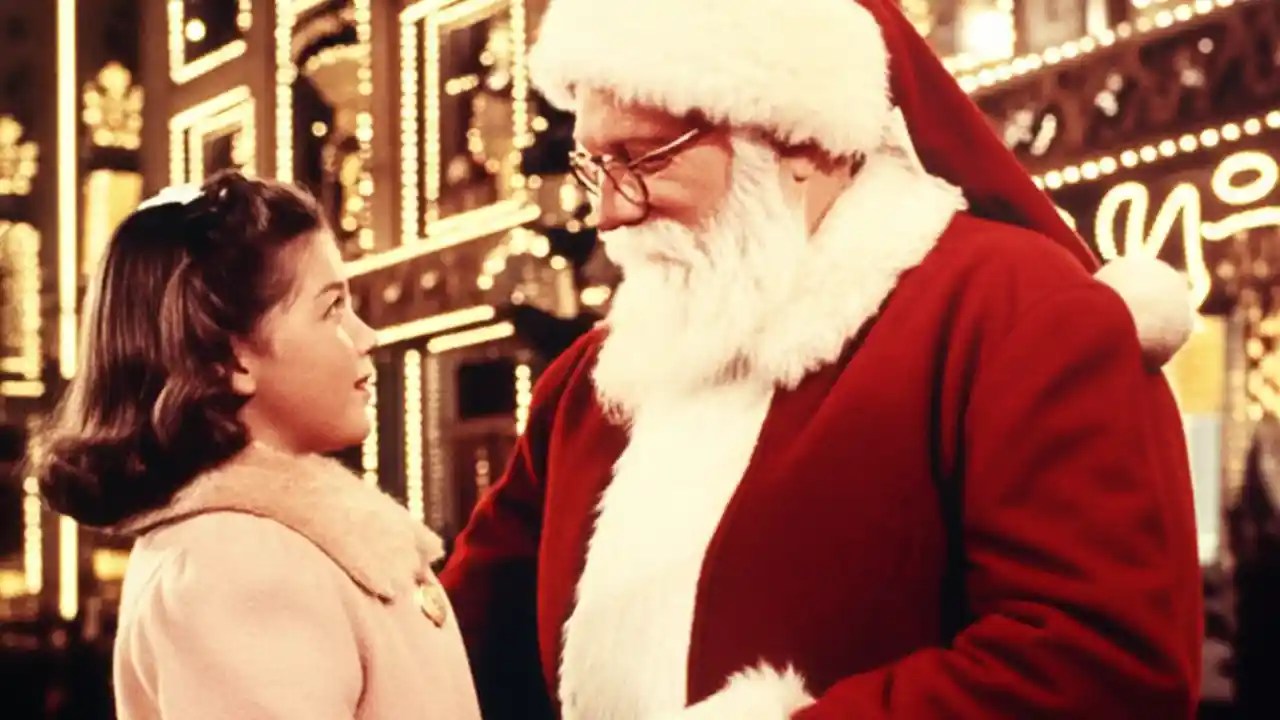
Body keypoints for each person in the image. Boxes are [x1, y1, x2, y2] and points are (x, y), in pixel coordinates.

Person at [440, 0, 1204, 718]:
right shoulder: (593, 379)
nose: (609, 209)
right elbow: (458, 650)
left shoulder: (1012, 312)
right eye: (592, 165)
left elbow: (1102, 662)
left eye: (641, 158)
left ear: (800, 141)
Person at [29, 171, 481, 720]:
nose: (368, 337)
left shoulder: (268, 544)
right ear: (232, 358)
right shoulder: (238, 563)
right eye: (332, 308)